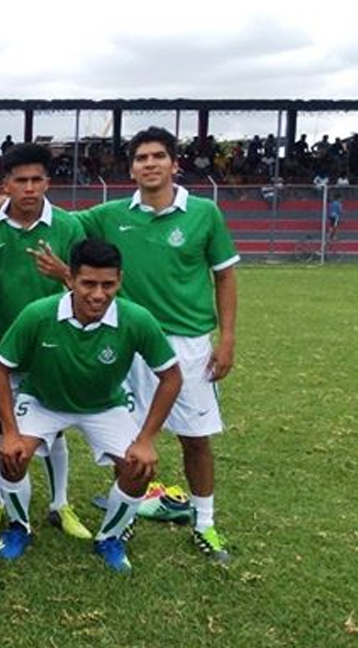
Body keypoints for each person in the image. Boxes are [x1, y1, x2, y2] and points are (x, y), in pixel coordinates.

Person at [76, 127, 238, 563]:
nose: (150, 163)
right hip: (129, 343)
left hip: (189, 344)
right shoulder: (110, 215)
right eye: (141, 157)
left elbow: (224, 275)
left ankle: (204, 522)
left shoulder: (204, 213)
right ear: (130, 168)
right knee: (127, 440)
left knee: (196, 439)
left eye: (158, 156)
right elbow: (57, 222)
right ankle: (122, 519)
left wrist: (226, 339)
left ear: (174, 163)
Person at [0, 238, 183, 572]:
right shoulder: (39, 314)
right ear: (72, 279)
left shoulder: (136, 318)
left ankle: (110, 537)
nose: (98, 294)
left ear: (120, 279)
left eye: (108, 285)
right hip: (43, 401)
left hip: (104, 405)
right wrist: (8, 431)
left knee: (139, 468)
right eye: (88, 283)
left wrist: (146, 439)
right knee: (13, 455)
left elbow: (172, 378)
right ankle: (19, 528)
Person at [0, 143, 91, 540]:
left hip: (54, 349)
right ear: (5, 185)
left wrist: (64, 274)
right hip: (2, 348)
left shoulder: (69, 227)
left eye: (37, 179)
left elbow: (89, 288)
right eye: (20, 180)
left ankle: (60, 504)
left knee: (53, 427)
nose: (29, 188)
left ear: (48, 183)